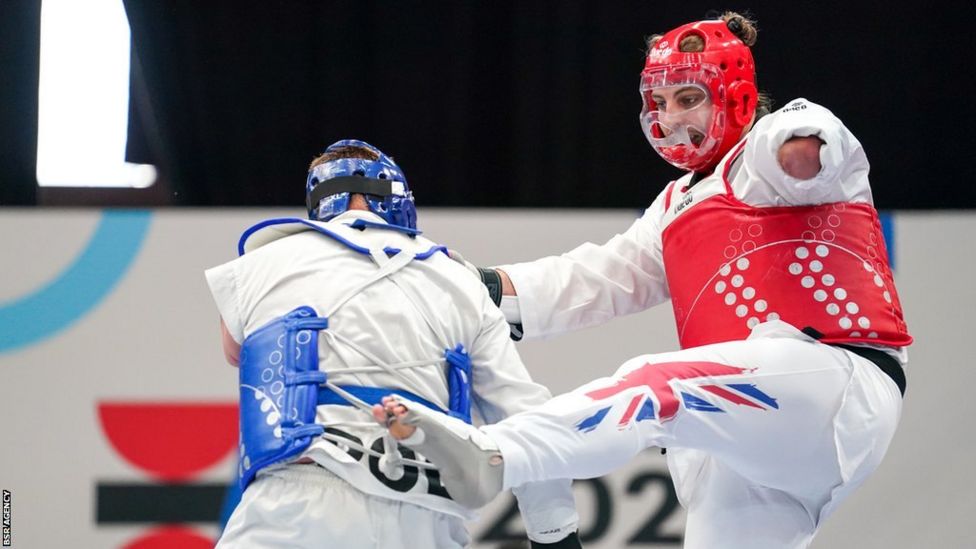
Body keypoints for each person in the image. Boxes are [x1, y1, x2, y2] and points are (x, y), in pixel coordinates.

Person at [376, 12, 912, 549]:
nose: (669, 117)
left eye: (687, 97)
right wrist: (467, 286)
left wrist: (796, 151)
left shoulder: (772, 148)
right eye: (658, 102)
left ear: (739, 98)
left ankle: (496, 453)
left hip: (835, 385)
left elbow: (812, 152)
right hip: (755, 440)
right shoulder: (675, 204)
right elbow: (594, 279)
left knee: (654, 385)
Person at [205, 139, 581, 548]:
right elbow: (523, 415)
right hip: (425, 512)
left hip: (294, 505)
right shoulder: (458, 281)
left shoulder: (263, 262)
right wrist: (554, 535)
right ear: (399, 197)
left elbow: (235, 350)